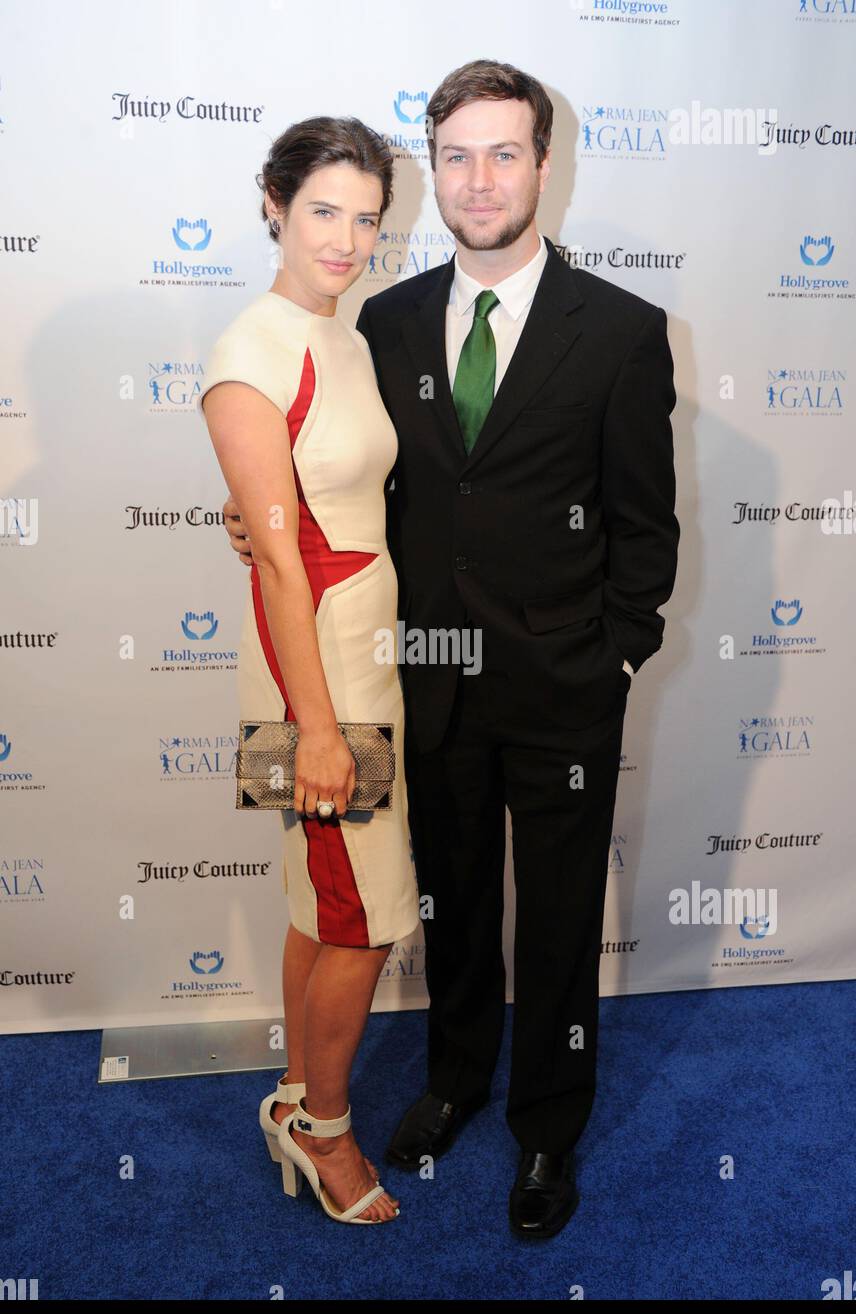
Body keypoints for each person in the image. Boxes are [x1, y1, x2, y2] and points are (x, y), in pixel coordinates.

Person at [223, 58, 679, 1239]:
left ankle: (548, 1127)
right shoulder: (381, 322)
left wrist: (615, 655)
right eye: (457, 156)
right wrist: (252, 515)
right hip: (419, 678)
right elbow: (339, 476)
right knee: (453, 902)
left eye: (503, 153)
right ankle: (456, 1077)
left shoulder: (621, 332)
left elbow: (645, 524)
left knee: (561, 920)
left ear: (542, 165)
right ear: (433, 168)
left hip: (564, 685)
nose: (480, 180)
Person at [199, 117, 422, 1226]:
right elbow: (282, 564)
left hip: (360, 655)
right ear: (274, 206)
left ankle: (297, 1095)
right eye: (323, 211)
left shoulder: (341, 332)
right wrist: (319, 730)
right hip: (316, 676)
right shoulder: (251, 350)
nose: (345, 239)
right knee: (366, 917)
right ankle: (324, 1131)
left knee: (320, 897)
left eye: (366, 219)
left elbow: (315, 501)